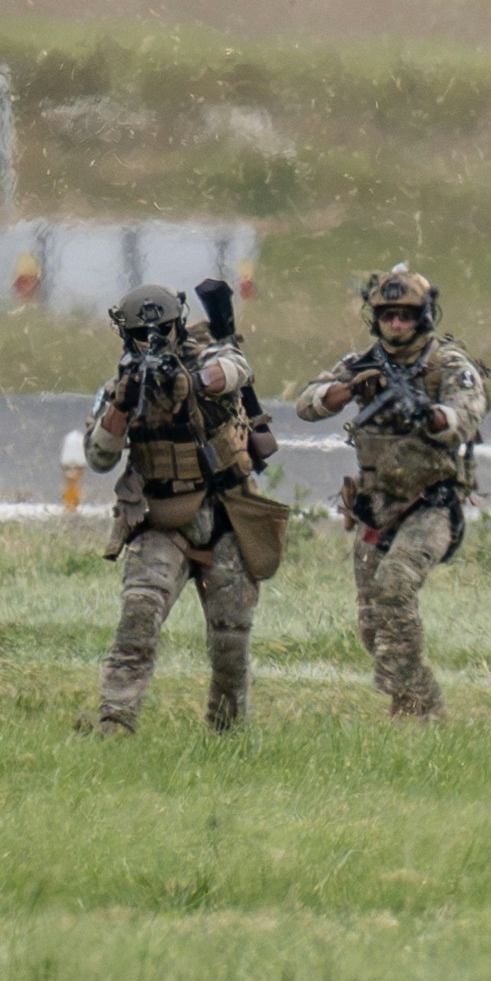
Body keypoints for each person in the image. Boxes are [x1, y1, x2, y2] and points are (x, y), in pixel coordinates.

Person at [81, 277, 286, 735]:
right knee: (138, 618)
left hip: (225, 515)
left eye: (165, 329)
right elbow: (98, 457)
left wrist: (189, 382)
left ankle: (226, 733)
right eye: (141, 334)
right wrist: (122, 403)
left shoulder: (210, 354)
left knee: (230, 639)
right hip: (161, 518)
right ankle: (114, 723)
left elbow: (236, 369)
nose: (153, 341)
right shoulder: (120, 385)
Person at [296, 264, 491, 725]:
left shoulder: (448, 365)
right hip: (375, 506)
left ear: (424, 316)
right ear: (376, 318)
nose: (397, 324)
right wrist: (346, 391)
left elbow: (464, 417)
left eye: (406, 315)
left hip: (431, 503)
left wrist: (426, 414)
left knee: (395, 585)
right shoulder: (362, 362)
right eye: (388, 316)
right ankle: (413, 696)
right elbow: (306, 404)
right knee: (372, 623)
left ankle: (420, 710)